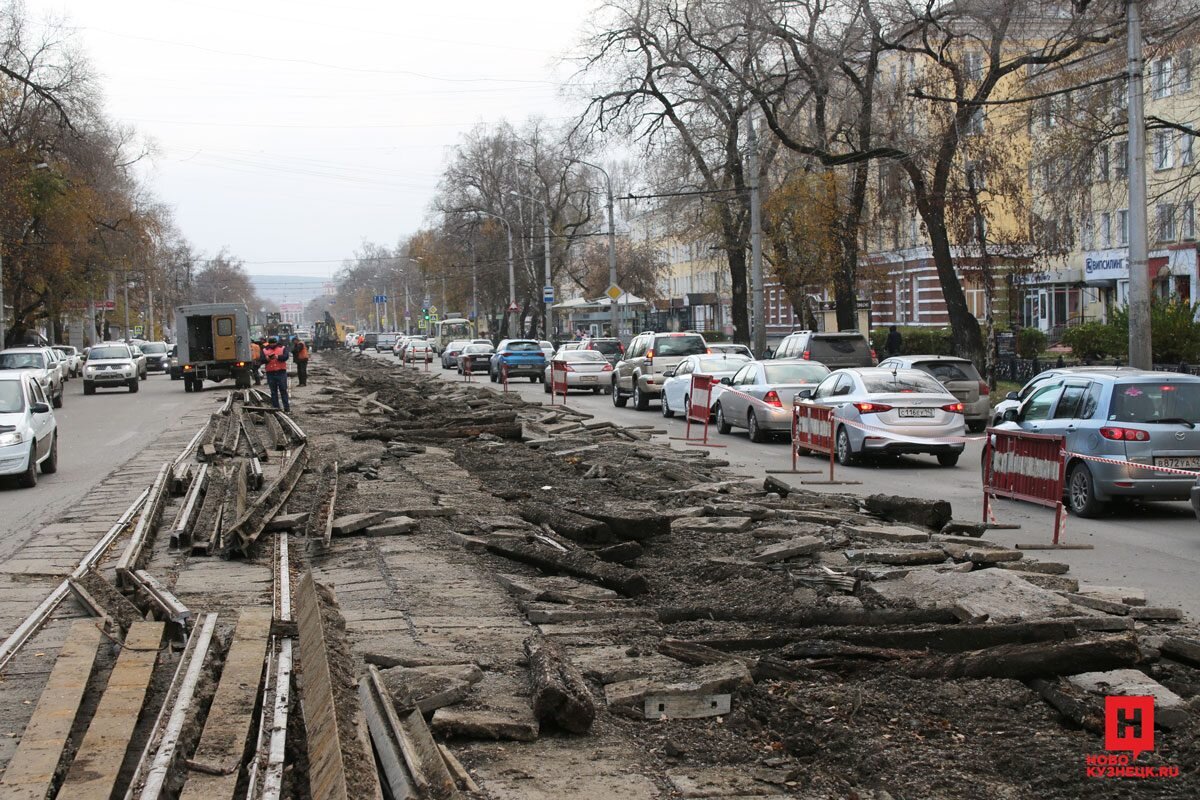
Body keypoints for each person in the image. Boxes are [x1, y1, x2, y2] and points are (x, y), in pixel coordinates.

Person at [261, 335, 290, 412]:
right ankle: (276, 408)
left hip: (281, 372)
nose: (272, 345)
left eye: (273, 343)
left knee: (283, 390)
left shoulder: (282, 348)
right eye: (271, 343)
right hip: (270, 373)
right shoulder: (264, 350)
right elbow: (261, 360)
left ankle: (286, 408)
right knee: (273, 391)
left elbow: (286, 357)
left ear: (276, 343)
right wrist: (267, 359)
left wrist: (278, 357)